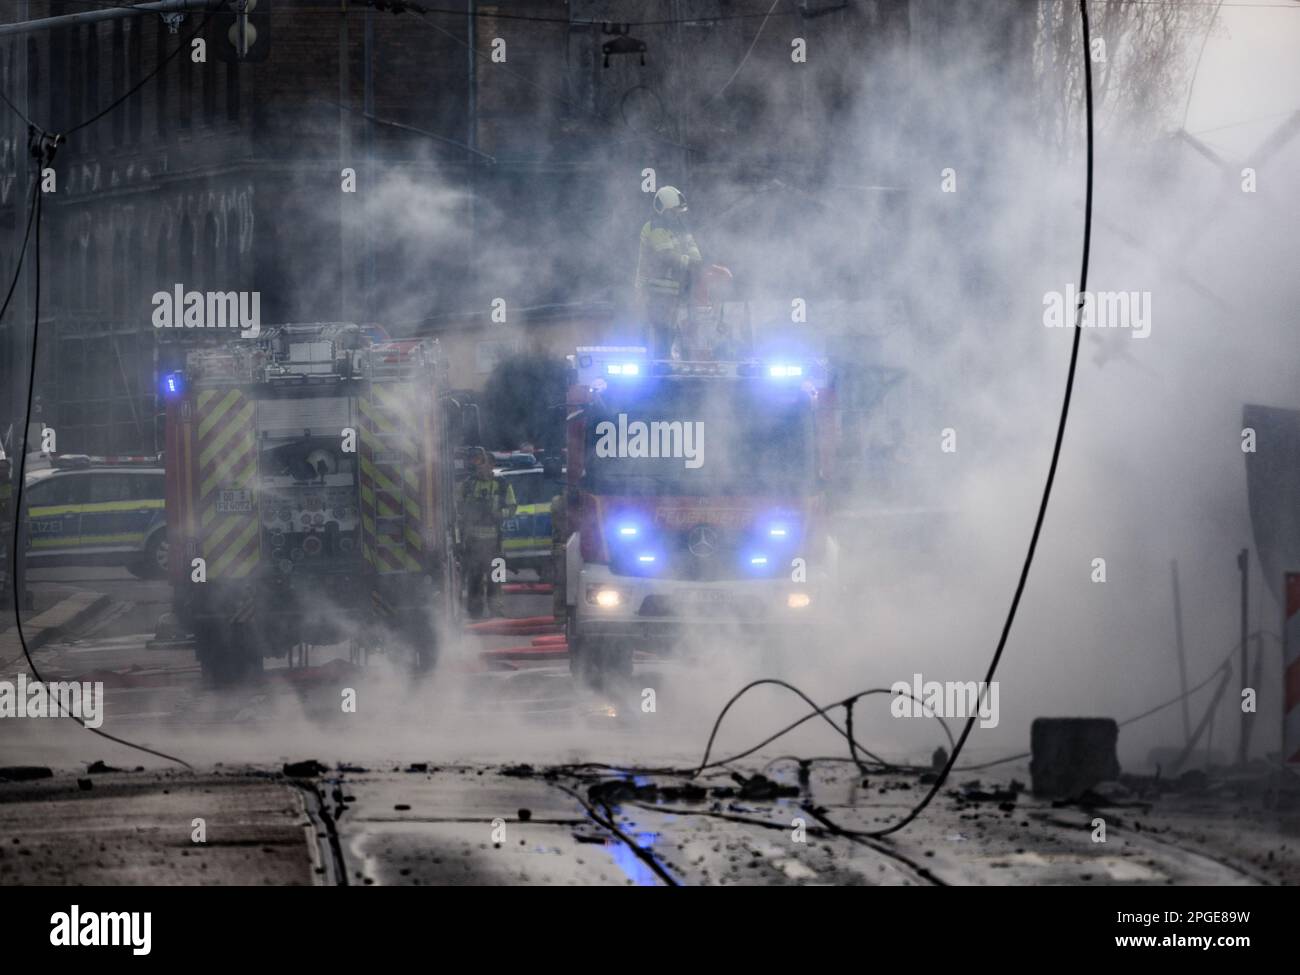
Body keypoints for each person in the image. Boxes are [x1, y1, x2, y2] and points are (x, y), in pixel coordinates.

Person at [634, 185, 702, 358]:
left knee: (673, 334)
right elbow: (668, 256)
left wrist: (688, 260)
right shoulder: (653, 228)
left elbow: (697, 257)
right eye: (675, 211)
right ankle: (658, 371)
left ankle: (669, 365)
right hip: (654, 294)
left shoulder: (680, 229)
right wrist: (687, 260)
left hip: (673, 295)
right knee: (659, 335)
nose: (679, 215)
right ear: (664, 210)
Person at [456, 447, 516, 619]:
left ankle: (496, 612)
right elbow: (458, 509)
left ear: (491, 465)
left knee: (496, 579)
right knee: (474, 580)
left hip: (496, 543)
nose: (480, 467)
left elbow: (512, 508)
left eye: (483, 463)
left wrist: (498, 514)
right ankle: (475, 613)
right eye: (477, 462)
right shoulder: (468, 485)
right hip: (473, 543)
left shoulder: (502, 484)